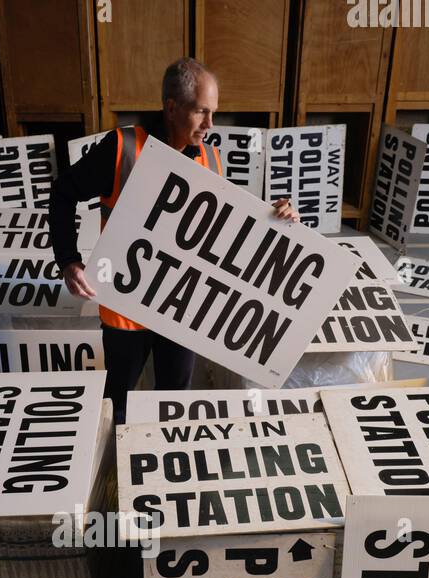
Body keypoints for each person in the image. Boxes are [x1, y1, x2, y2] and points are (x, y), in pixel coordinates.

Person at [48, 57, 300, 420]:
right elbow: (62, 193)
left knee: (173, 406)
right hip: (126, 311)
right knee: (115, 405)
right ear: (171, 107)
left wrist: (276, 217)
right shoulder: (122, 147)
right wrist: (68, 259)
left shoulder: (211, 159)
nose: (211, 125)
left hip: (181, 312)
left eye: (213, 113)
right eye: (202, 112)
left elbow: (226, 230)